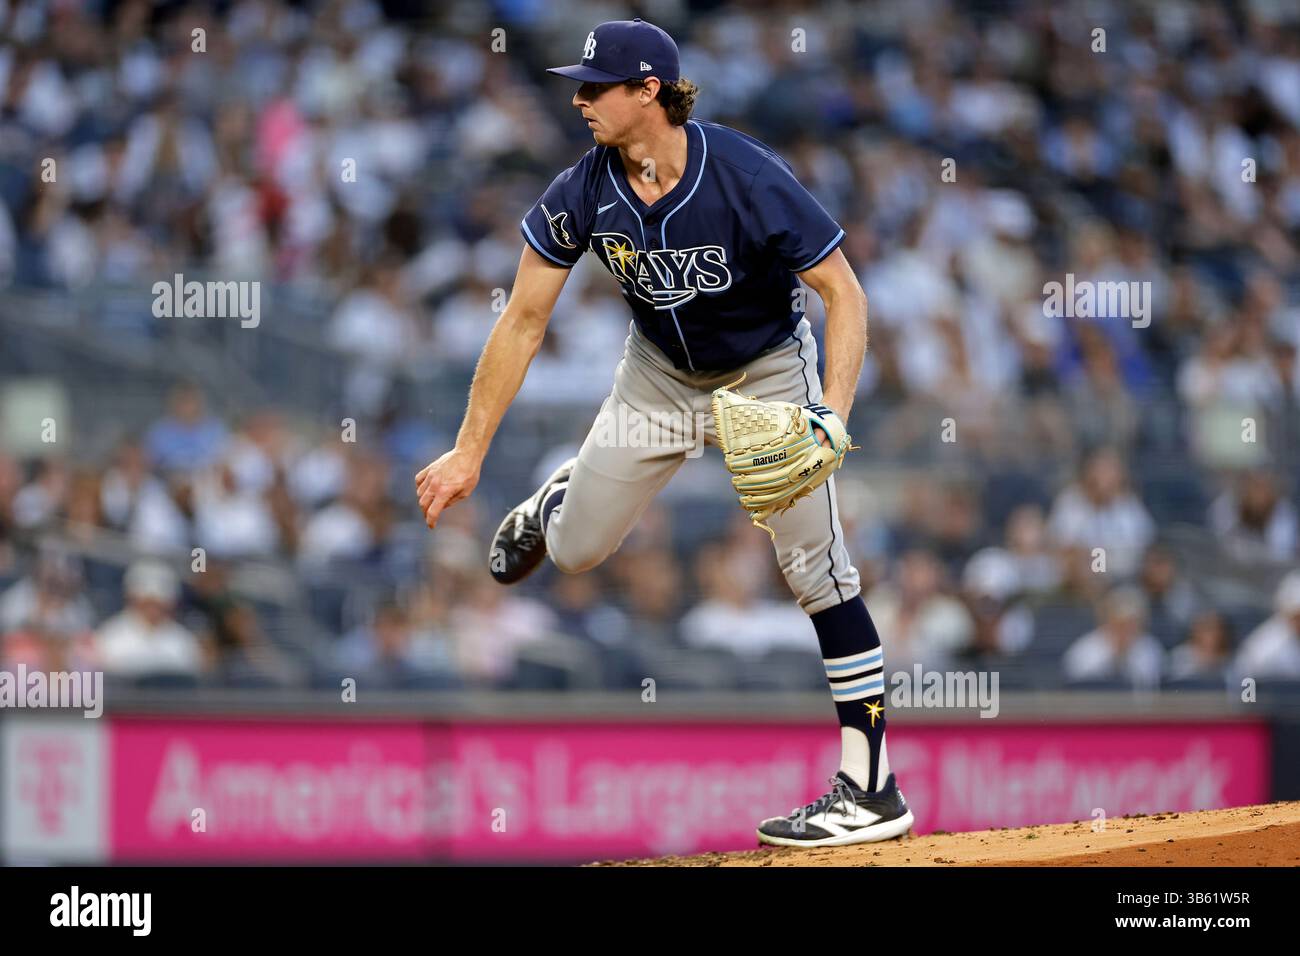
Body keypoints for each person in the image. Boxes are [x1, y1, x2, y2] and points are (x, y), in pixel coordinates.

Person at [414, 19, 911, 847]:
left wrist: (831, 413)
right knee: (572, 553)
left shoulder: (744, 175)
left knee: (817, 570)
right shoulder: (584, 188)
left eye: (594, 86)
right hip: (656, 378)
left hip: (765, 376)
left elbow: (844, 292)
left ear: (649, 91)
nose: (578, 100)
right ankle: (560, 500)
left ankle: (871, 787)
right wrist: (470, 449)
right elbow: (523, 321)